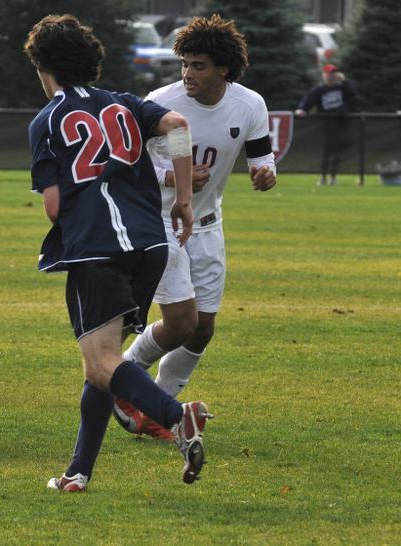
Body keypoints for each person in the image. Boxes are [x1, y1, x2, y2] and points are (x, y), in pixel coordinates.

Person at [24, 14, 212, 492]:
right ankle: (77, 472)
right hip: (149, 244)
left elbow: (52, 207)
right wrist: (185, 198)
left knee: (101, 362)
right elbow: (177, 124)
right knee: (105, 362)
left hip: (97, 249)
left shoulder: (46, 121)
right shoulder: (127, 104)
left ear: (45, 68)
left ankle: (176, 416)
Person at [115, 15, 278, 440]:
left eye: (199, 65)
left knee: (203, 329)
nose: (188, 73)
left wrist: (265, 172)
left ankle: (154, 405)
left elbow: (261, 156)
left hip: (208, 225)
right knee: (181, 322)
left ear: (224, 69)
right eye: (184, 64)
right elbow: (130, 161)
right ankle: (125, 380)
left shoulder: (250, 105)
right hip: (161, 224)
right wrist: (173, 177)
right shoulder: (161, 101)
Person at [295, 64, 358, 185]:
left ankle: (333, 178)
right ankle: (323, 177)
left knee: (338, 152)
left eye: (333, 74)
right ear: (324, 75)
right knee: (327, 152)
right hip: (326, 126)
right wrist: (302, 109)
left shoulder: (342, 88)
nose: (332, 76)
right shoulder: (319, 90)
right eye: (329, 74)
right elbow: (308, 101)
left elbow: (354, 93)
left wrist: (344, 80)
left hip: (341, 124)